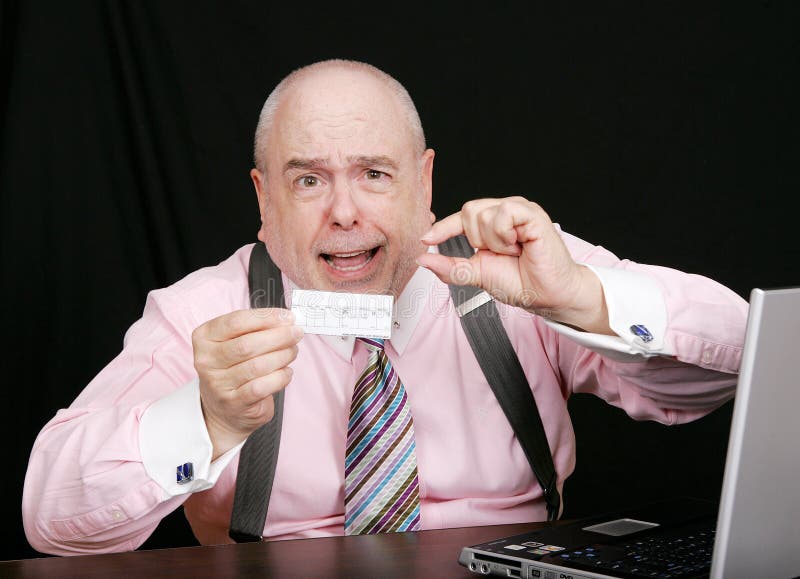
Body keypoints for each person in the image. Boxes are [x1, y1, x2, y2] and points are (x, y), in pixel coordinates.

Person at [22, 59, 748, 555]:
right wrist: (205, 419)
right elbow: (51, 516)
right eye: (308, 181)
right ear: (264, 200)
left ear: (424, 183)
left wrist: (581, 299)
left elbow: (740, 362)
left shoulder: (519, 272)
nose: (344, 212)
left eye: (374, 173)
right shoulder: (203, 312)